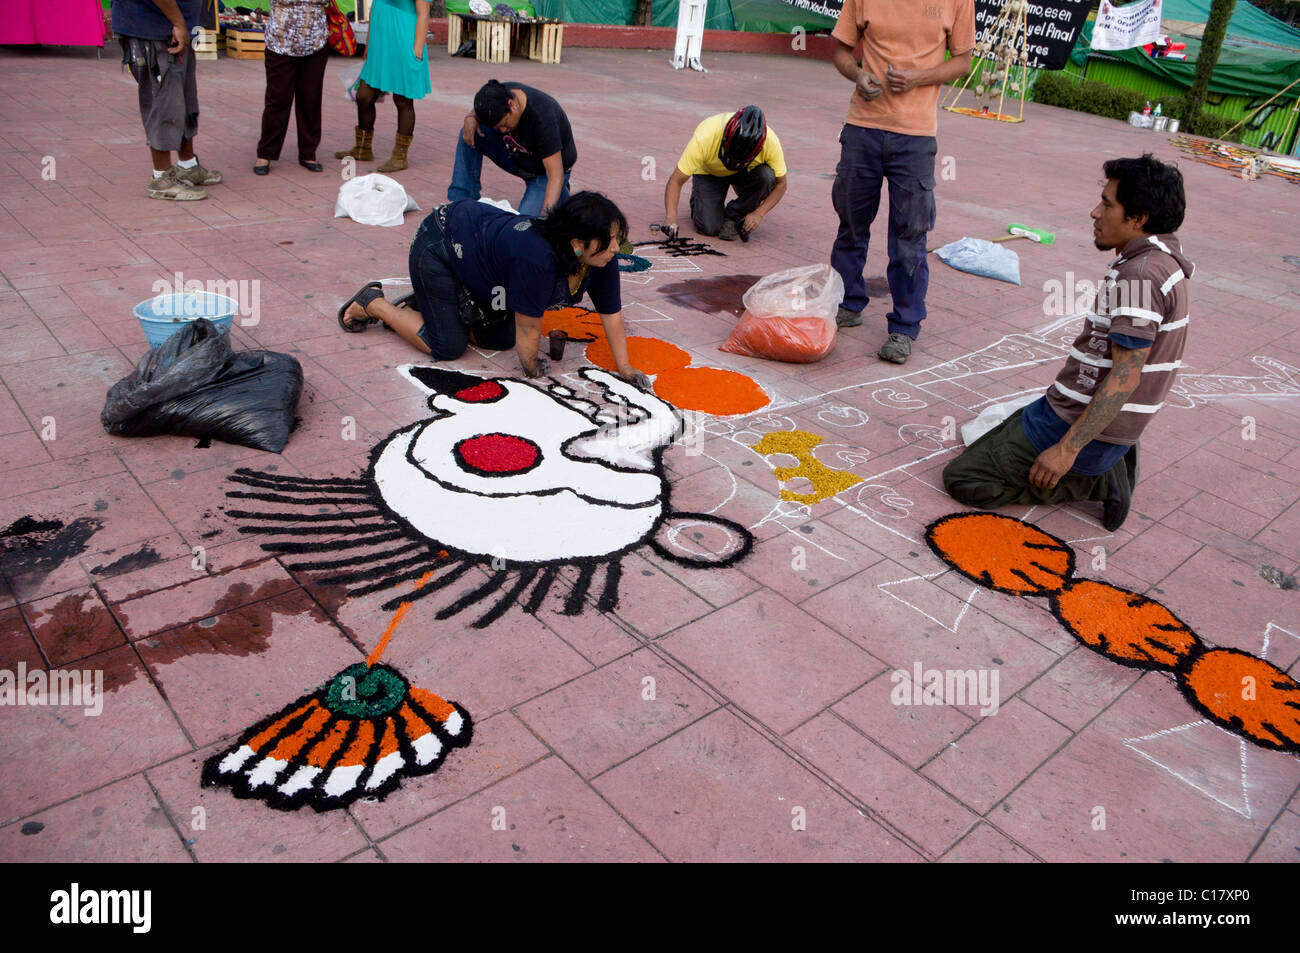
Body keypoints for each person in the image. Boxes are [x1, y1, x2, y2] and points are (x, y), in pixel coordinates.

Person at [943, 155, 1193, 532]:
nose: (1095, 213)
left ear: (1138, 218)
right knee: (988, 437)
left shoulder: (1141, 276)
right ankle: (1107, 456)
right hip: (1067, 405)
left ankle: (1099, 478)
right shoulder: (1160, 261)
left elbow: (1125, 376)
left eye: (1108, 205)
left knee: (965, 478)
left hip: (1074, 424)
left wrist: (1067, 450)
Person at [337, 191, 649, 385]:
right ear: (577, 244)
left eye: (616, 237)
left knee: (499, 337)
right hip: (442, 243)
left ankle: (433, 303)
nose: (614, 247)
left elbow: (612, 315)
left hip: (479, 259)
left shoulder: (601, 260)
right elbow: (528, 330)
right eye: (607, 239)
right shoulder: (538, 258)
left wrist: (624, 367)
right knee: (447, 346)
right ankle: (373, 303)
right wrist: (532, 370)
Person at [828, 0, 975, 364]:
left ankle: (904, 328)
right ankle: (847, 303)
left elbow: (962, 62)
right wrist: (857, 75)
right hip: (862, 127)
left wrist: (918, 78)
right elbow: (842, 53)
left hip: (915, 136)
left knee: (910, 237)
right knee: (850, 224)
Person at [111, 0, 223, 201]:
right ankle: (161, 178)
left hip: (175, 26)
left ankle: (187, 166)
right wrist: (179, 23)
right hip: (153, 28)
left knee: (184, 100)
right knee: (163, 101)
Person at [448, 80, 576, 217]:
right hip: (517, 155)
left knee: (525, 224)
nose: (503, 130)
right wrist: (471, 117)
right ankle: (460, 203)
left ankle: (559, 197)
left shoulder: (543, 118)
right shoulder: (500, 93)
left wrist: (544, 219)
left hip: (545, 172)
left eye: (504, 124)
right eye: (497, 127)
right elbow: (482, 107)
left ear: (511, 104)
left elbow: (555, 175)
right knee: (469, 131)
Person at [661, 106, 787, 242]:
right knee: (709, 228)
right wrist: (671, 217)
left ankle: (733, 216)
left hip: (744, 173)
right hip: (710, 173)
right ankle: (698, 201)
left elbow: (781, 185)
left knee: (767, 176)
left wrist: (758, 213)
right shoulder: (706, 136)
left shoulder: (770, 142)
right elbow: (676, 180)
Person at [334, 0, 430, 173]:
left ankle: (400, 156)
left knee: (402, 100)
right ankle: (363, 148)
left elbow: (423, 14)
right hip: (380, 40)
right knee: (364, 96)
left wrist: (416, 52)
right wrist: (370, 43)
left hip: (404, 39)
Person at [254, 0, 330, 175]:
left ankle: (308, 152)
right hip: (281, 41)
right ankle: (266, 153)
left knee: (310, 99)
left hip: (315, 41)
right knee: (277, 99)